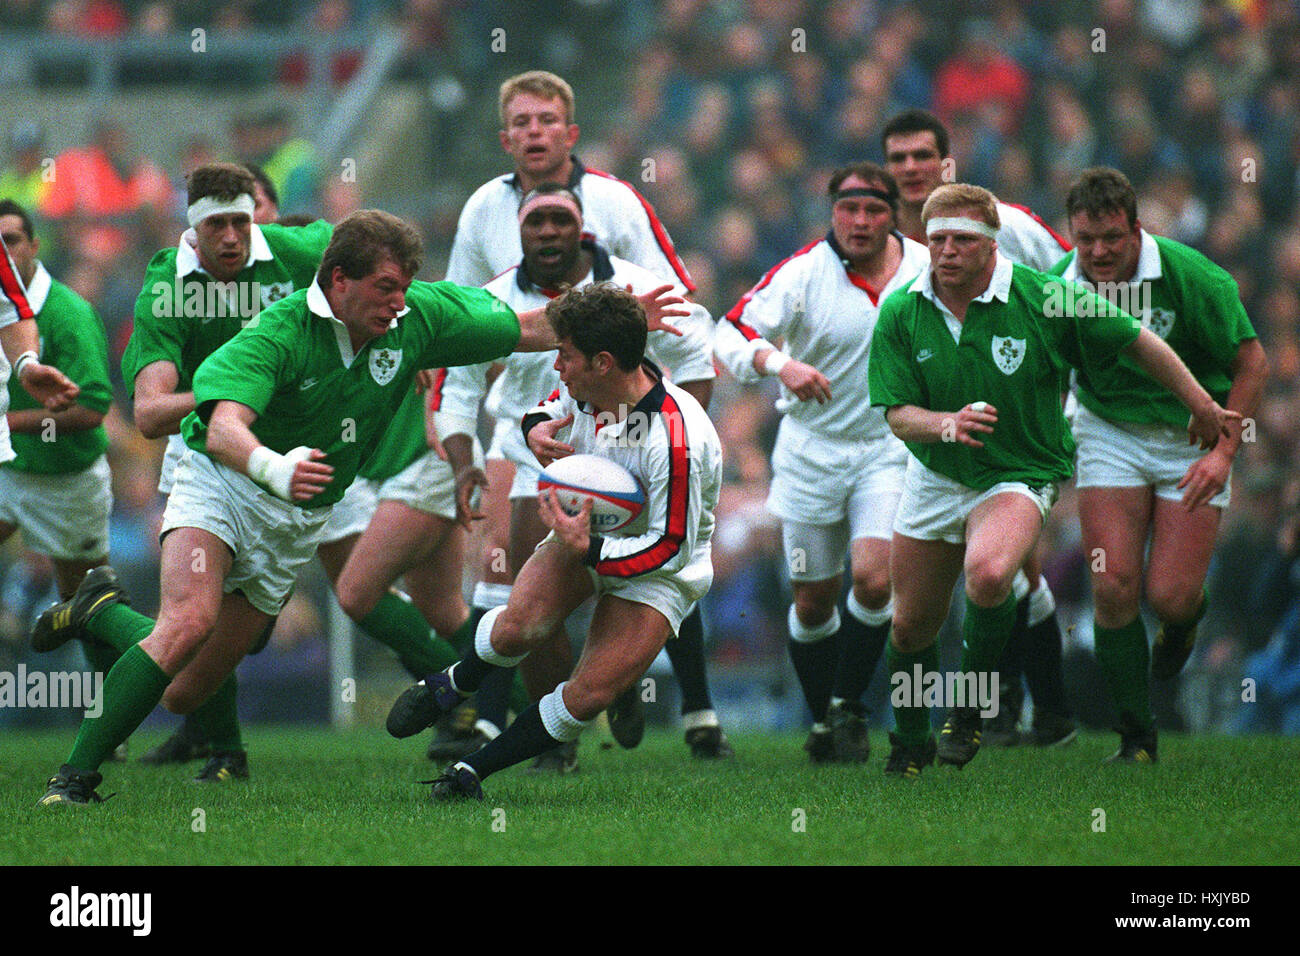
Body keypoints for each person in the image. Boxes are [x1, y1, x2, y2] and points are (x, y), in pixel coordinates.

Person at [35, 209, 686, 805]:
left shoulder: (416, 316)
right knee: (187, 622)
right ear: (339, 281)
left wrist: (622, 320)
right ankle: (73, 782)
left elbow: (526, 326)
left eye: (405, 287)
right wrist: (275, 464)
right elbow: (227, 424)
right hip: (224, 484)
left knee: (183, 687)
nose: (398, 303)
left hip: (293, 518)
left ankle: (99, 610)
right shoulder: (279, 333)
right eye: (385, 289)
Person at [866, 184, 1236, 778]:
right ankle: (910, 742)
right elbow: (894, 411)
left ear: (992, 246)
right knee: (910, 625)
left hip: (1021, 471)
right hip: (935, 474)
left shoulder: (1048, 298)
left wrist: (1201, 404)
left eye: (963, 240)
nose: (947, 252)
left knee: (989, 574)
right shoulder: (901, 308)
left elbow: (1141, 342)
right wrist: (943, 424)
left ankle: (967, 713)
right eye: (937, 240)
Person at [444, 70, 725, 761]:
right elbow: (459, 337)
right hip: (527, 422)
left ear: (569, 133)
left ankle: (685, 703)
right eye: (522, 121)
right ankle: (539, 734)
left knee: (659, 546)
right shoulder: (483, 210)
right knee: (515, 580)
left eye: (547, 120)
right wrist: (464, 454)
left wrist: (671, 419)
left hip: (625, 420)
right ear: (505, 136)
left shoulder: (618, 202)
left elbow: (680, 315)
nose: (535, 132)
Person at [386, 283, 722, 802]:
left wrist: (588, 550)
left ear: (603, 362)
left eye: (565, 356)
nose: (557, 365)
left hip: (659, 570)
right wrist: (536, 429)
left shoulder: (677, 439)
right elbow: (544, 403)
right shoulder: (585, 384)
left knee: (588, 696)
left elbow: (670, 547)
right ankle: (452, 684)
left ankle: (470, 773)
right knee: (517, 628)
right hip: (584, 535)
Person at [714, 162, 929, 763]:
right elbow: (728, 333)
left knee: (875, 578)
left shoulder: (925, 268)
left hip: (888, 449)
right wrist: (781, 366)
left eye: (873, 210)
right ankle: (824, 718)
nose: (859, 222)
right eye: (848, 209)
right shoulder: (802, 273)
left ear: (893, 214)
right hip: (809, 454)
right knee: (811, 601)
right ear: (832, 211)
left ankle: (848, 707)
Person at [1053, 167, 1267, 762]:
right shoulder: (1056, 285)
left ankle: (1184, 623)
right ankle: (1136, 732)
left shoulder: (1192, 276)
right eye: (1085, 239)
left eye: (1111, 239)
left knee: (1170, 597)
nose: (1097, 252)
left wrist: (1226, 451)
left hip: (1191, 434)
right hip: (1107, 431)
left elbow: (1254, 364)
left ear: (1136, 230)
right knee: (1113, 584)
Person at [882, 107, 1077, 746]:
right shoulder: (901, 257)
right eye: (898, 158)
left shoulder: (1008, 225)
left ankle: (1026, 707)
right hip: (932, 430)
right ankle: (1008, 710)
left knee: (1004, 571)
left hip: (1020, 426)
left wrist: (1060, 383)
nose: (910, 169)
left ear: (947, 163)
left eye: (922, 157)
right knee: (961, 589)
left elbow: (1073, 285)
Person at [0, 200, 113, 608]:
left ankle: (124, 668)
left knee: (86, 606)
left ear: (34, 246)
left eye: (10, 240)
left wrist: (13, 422)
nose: (3, 252)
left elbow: (92, 410)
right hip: (7, 471)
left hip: (67, 481)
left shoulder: (70, 314)